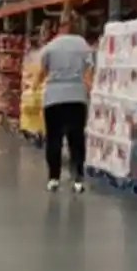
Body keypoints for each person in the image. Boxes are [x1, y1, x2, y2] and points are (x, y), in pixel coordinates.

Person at [38, 15, 93, 193]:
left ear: (58, 27)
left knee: (54, 138)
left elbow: (42, 72)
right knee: (76, 138)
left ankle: (53, 178)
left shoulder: (50, 47)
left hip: (53, 98)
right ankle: (77, 178)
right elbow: (89, 71)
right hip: (76, 96)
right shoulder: (83, 45)